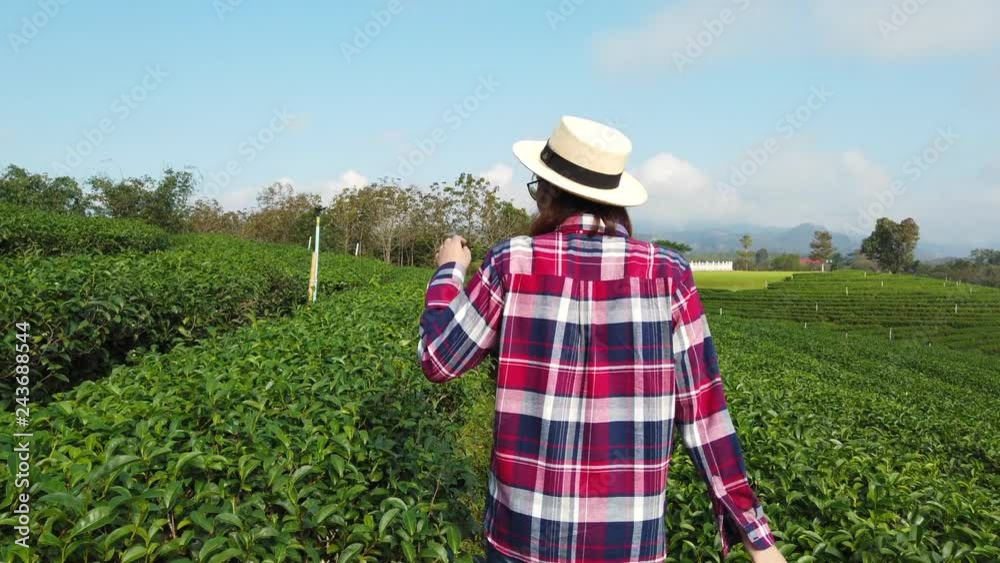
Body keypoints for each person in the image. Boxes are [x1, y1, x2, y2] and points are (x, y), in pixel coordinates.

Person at [418, 116, 786, 563]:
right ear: (614, 200)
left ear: (549, 192)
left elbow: (438, 359)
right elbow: (704, 412)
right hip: (626, 542)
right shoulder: (667, 274)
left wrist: (448, 272)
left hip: (524, 538)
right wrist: (755, 535)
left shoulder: (511, 261)